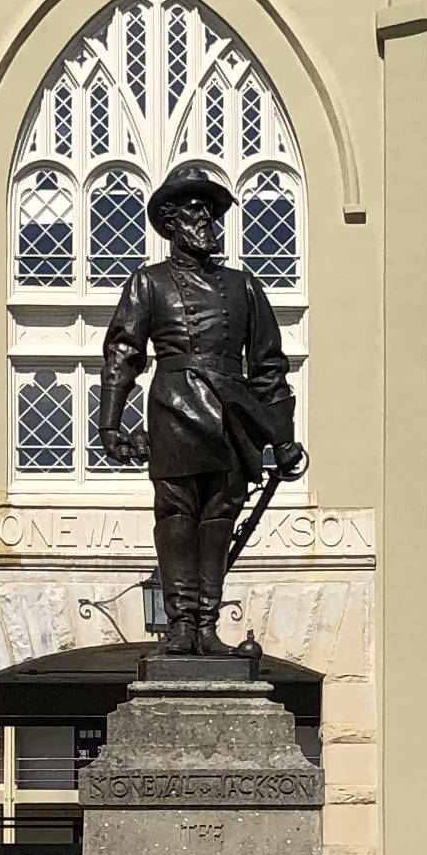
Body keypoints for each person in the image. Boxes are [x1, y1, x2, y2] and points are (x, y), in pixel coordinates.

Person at [97, 164, 305, 656]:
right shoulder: (147, 283)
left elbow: (269, 365)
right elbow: (123, 353)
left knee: (220, 517)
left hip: (233, 414)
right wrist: (109, 424)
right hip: (174, 406)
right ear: (170, 222)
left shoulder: (244, 286)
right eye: (195, 208)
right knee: (176, 515)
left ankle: (207, 624)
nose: (207, 218)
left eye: (211, 209)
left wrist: (281, 436)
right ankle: (181, 623)